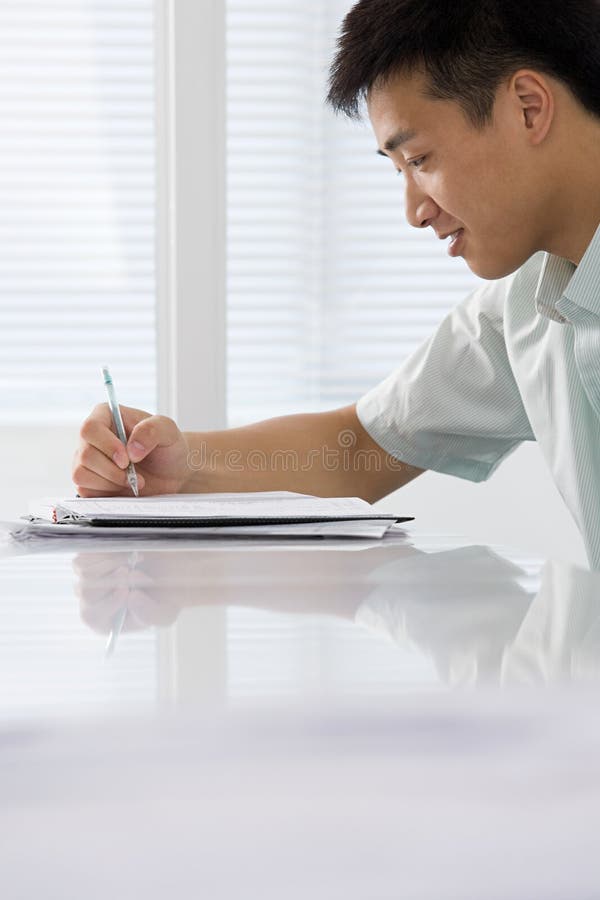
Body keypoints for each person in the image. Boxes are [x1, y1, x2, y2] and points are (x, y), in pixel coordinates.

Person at [72, 0, 600, 565]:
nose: (415, 211)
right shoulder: (526, 308)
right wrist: (176, 464)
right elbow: (362, 447)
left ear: (527, 108)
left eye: (420, 158)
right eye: (399, 170)